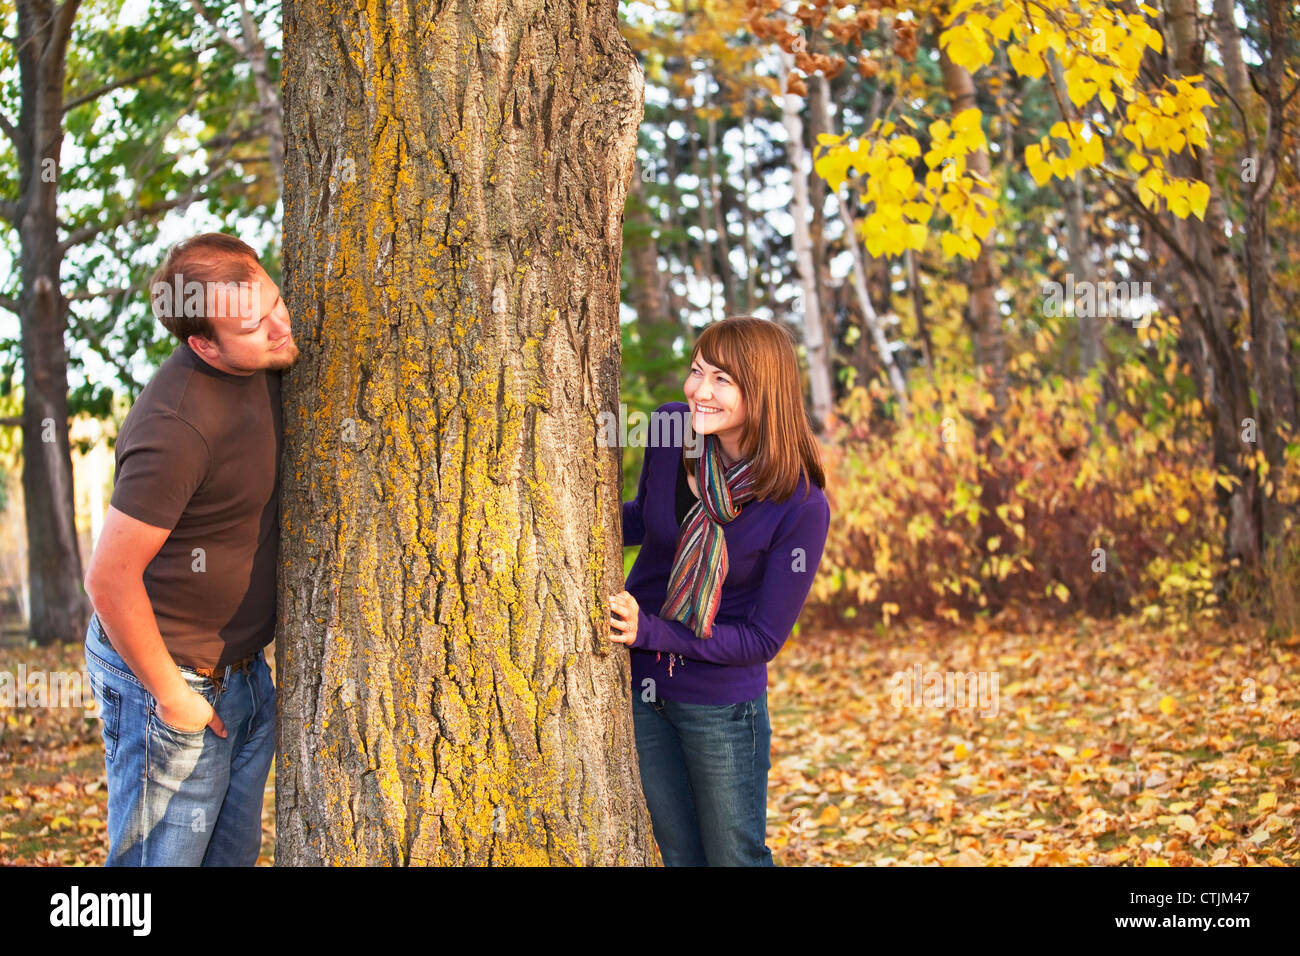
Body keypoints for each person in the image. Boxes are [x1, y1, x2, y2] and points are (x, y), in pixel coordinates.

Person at [82, 232, 298, 866]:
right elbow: (109, 579)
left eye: (276, 302)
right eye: (255, 326)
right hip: (167, 680)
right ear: (204, 344)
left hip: (243, 678)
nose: (281, 327)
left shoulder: (268, 360)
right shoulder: (175, 428)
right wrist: (175, 701)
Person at [608, 315, 830, 866]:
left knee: (734, 858)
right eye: (695, 371)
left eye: (722, 380)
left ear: (763, 391)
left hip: (721, 706)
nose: (698, 391)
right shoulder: (670, 431)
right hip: (642, 689)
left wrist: (651, 630)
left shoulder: (799, 503)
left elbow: (760, 639)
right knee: (678, 855)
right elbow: (648, 520)